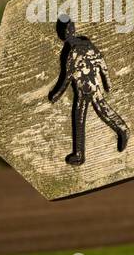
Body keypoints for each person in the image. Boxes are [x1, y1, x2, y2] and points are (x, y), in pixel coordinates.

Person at [47, 14, 129, 165]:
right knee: (97, 112)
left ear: (64, 33)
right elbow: (102, 64)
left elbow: (67, 77)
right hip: (90, 88)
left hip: (87, 89)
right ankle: (81, 152)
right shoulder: (88, 45)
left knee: (89, 115)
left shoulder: (73, 52)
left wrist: (56, 95)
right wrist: (107, 82)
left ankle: (121, 130)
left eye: (65, 30)